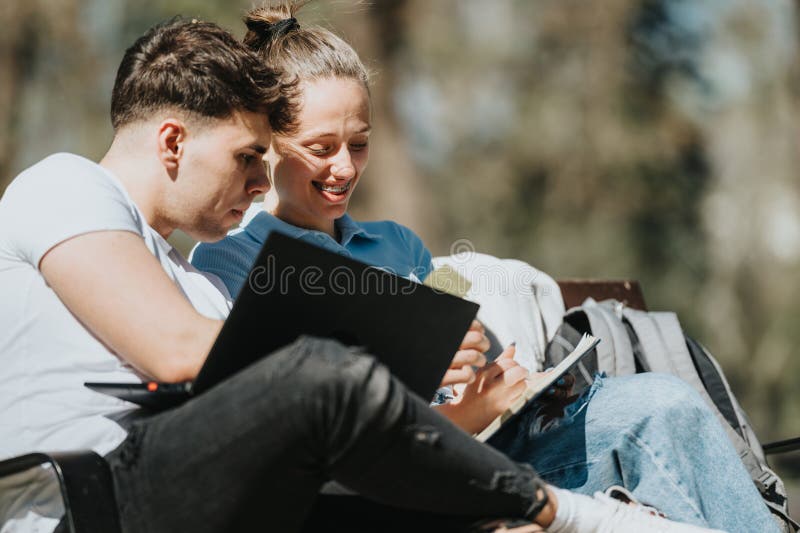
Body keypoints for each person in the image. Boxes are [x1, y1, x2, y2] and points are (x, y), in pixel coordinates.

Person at [0, 15, 727, 533]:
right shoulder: (65, 185)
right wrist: (389, 336)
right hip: (82, 498)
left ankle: (527, 511)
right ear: (170, 142)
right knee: (321, 372)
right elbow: (175, 350)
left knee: (640, 408)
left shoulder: (193, 281)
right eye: (248, 157)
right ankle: (566, 511)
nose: (259, 183)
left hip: (205, 485)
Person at [190, 4, 781, 532]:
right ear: (266, 142)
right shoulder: (235, 259)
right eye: (321, 148)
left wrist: (481, 365)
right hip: (397, 488)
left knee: (663, 401)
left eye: (360, 143)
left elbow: (449, 356)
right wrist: (461, 407)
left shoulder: (397, 245)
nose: (345, 167)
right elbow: (297, 432)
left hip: (486, 446)